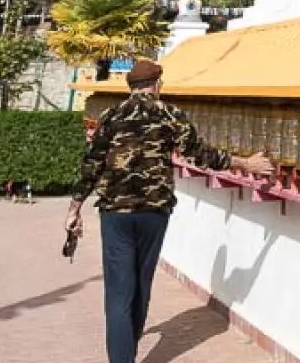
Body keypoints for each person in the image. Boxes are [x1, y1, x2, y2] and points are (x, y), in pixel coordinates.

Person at [66, 59, 273, 363]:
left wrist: (75, 207)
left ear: (131, 87)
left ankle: (122, 356)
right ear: (157, 85)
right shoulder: (169, 114)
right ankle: (129, 345)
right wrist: (245, 164)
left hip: (116, 213)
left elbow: (92, 163)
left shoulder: (111, 115)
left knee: (119, 291)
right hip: (154, 211)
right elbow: (200, 153)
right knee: (141, 283)